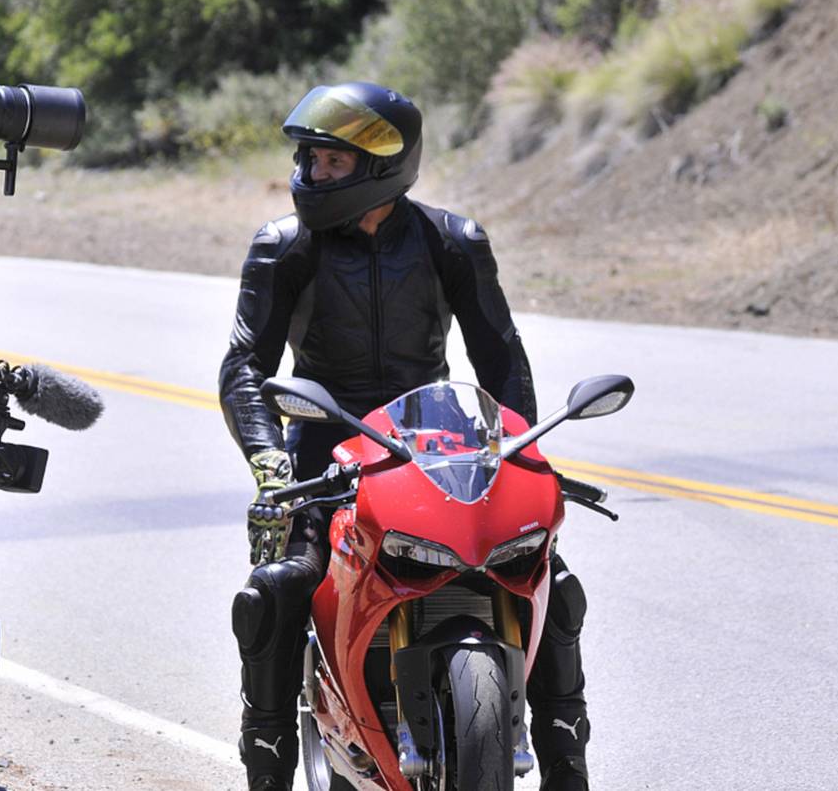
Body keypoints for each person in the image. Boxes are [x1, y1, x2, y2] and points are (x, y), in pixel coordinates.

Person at [219, 83, 590, 791]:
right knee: (277, 589)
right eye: (310, 159)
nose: (313, 173)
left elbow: (501, 357)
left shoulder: (452, 241)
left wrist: (523, 454)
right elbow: (244, 368)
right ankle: (267, 777)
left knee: (548, 576)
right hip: (324, 455)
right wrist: (270, 465)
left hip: (435, 448)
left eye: (332, 161)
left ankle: (568, 770)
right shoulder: (284, 247)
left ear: (382, 165)